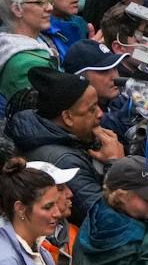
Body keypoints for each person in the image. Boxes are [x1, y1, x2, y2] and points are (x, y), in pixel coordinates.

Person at [9, 67, 125, 222]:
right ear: (67, 117)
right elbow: (104, 219)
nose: (100, 114)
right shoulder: (64, 161)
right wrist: (116, 165)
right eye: (91, 109)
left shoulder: (63, 137)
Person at [0, 0, 56, 96]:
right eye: (41, 2)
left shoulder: (39, 42)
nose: (50, 7)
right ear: (17, 9)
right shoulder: (27, 65)